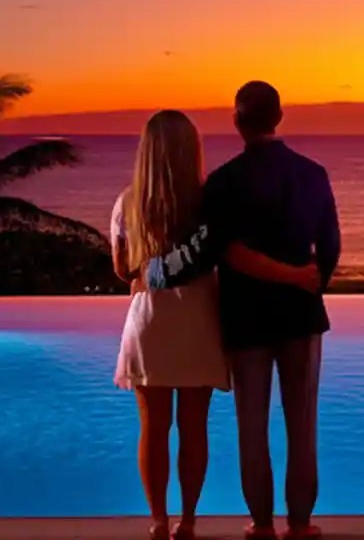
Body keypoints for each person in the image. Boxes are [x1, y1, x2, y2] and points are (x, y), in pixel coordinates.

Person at [112, 109, 320, 540]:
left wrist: (149, 273)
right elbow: (225, 256)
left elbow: (122, 268)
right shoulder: (208, 201)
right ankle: (188, 521)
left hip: (149, 321)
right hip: (199, 320)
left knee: (153, 429)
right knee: (194, 428)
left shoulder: (128, 202)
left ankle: (158, 520)